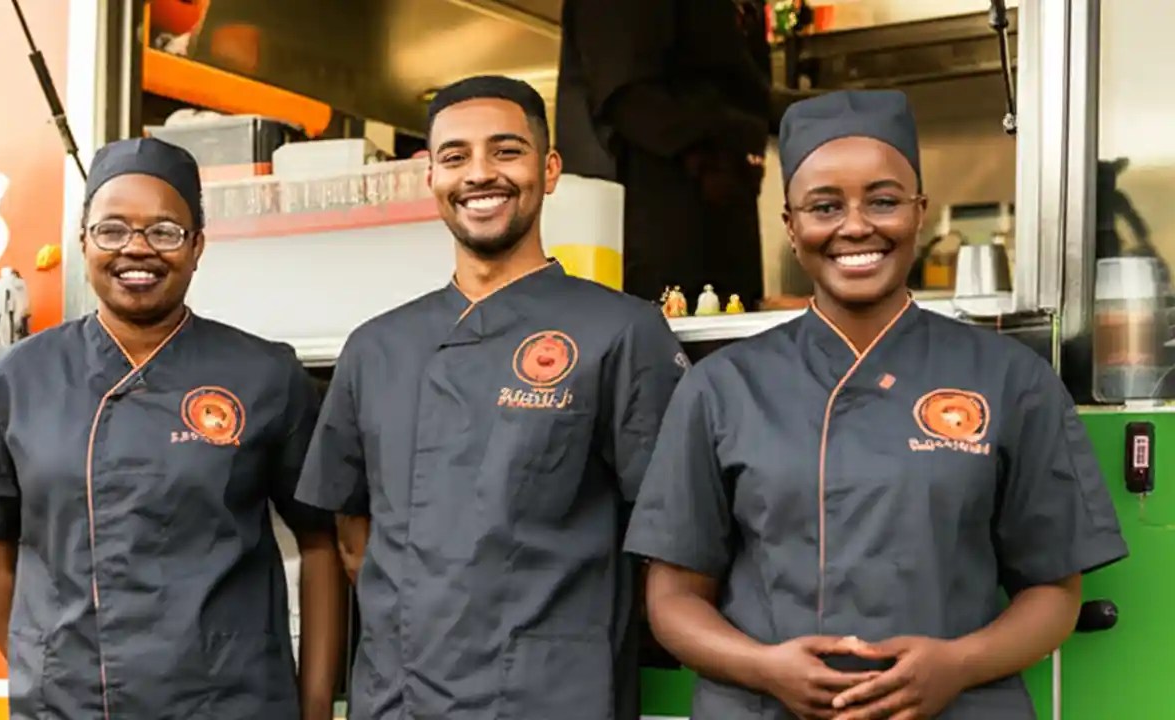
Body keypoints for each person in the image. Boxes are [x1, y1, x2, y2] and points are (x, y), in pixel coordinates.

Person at [623, 89, 1130, 720]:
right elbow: (671, 599)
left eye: (883, 201)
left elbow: (1054, 591)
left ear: (920, 212)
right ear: (790, 224)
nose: (855, 226)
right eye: (824, 206)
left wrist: (957, 665)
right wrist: (764, 669)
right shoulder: (722, 387)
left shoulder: (1011, 380)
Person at [295, 75, 689, 720]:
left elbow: (670, 537)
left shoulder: (621, 333)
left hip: (555, 698)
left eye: (506, 151)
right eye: (455, 157)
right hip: (399, 698)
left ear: (550, 169)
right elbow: (352, 534)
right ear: (431, 178)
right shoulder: (376, 347)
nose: (480, 173)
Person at [0, 137, 346, 720]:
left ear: (198, 245)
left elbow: (321, 541)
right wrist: (44, 663)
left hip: (230, 703)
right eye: (112, 229)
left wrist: (315, 704)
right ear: (83, 241)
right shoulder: (15, 378)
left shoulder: (264, 374)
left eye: (165, 231)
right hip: (73, 705)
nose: (137, 248)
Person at [556, 0, 809, 307]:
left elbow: (746, 92)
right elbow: (631, 101)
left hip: (712, 216)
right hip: (648, 218)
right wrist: (738, 133)